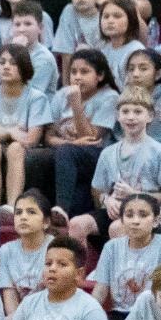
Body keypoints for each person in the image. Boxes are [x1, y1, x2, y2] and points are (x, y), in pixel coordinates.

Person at [75, 88, 161, 245]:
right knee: (77, 224)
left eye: (137, 112)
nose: (131, 117)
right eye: (125, 111)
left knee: (118, 228)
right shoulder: (108, 152)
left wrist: (135, 194)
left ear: (150, 116)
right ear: (117, 115)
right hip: (118, 208)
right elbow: (97, 189)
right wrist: (107, 200)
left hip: (148, 213)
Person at [33, 48, 117, 221]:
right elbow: (49, 137)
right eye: (73, 72)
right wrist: (71, 144)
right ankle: (32, 208)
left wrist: (76, 104)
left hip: (97, 156)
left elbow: (92, 139)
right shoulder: (61, 95)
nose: (77, 77)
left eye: (84, 72)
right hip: (66, 152)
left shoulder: (109, 97)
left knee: (66, 152)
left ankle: (62, 208)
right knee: (34, 158)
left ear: (100, 75)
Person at [90, 194, 161, 320]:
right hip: (119, 315)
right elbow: (100, 291)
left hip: (154, 316)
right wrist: (88, 315)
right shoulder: (111, 247)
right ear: (122, 220)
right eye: (129, 215)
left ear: (156, 221)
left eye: (143, 215)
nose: (135, 221)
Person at [0, 45, 46, 211]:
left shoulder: (36, 98)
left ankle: (12, 207)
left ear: (24, 67)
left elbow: (31, 139)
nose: (6, 67)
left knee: (15, 148)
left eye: (13, 63)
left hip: (24, 149)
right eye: (2, 62)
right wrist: (10, 131)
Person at [0, 189, 52, 313]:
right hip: (19, 315)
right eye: (18, 213)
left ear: (46, 222)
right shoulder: (6, 250)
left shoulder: (55, 247)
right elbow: (9, 296)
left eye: (31, 212)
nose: (23, 217)